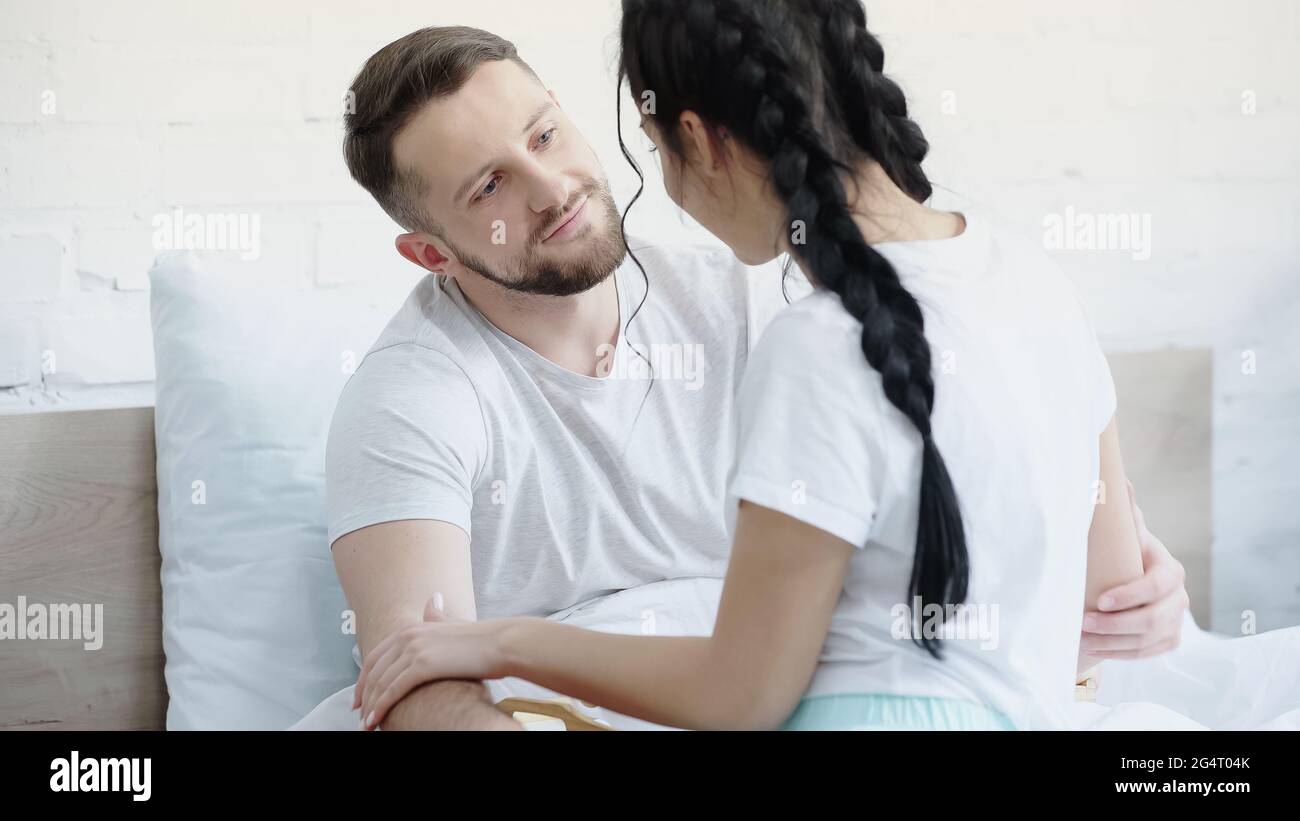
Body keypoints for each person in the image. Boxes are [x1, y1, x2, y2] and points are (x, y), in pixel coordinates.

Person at [331, 12, 1190, 731]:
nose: (551, 187)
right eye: (490, 187)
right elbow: (415, 681)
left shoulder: (765, 306)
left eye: (546, 134)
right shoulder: (412, 398)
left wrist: (1131, 591)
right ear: (428, 251)